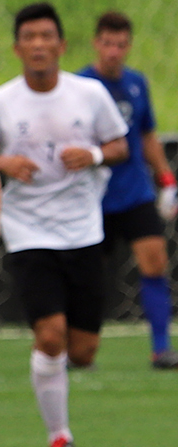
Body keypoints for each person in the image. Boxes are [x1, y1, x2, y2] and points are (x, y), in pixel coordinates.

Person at [0, 2, 129, 447]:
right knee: (50, 336)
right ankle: (58, 435)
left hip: (83, 230)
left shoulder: (89, 94)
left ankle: (55, 380)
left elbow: (120, 145)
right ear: (17, 48)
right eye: (29, 37)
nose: (39, 45)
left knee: (82, 352)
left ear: (62, 45)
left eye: (47, 36)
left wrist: (95, 155)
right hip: (27, 230)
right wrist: (1, 162)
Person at [77, 10, 178, 369]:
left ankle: (161, 348)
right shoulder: (80, 86)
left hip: (135, 192)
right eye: (108, 43)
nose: (113, 52)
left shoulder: (136, 83)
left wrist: (166, 179)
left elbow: (147, 135)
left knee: (155, 262)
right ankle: (79, 348)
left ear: (129, 46)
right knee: (89, 276)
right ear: (96, 43)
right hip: (95, 197)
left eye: (120, 45)